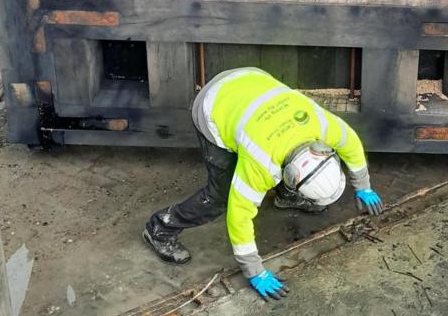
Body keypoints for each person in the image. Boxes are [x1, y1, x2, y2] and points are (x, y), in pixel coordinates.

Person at [143, 67, 384, 300]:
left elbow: (351, 144)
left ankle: (286, 197)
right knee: (222, 196)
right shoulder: (260, 166)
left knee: (262, 154)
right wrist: (255, 271)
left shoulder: (323, 127)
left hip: (252, 80)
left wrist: (363, 186)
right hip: (213, 104)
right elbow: (239, 217)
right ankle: (160, 228)